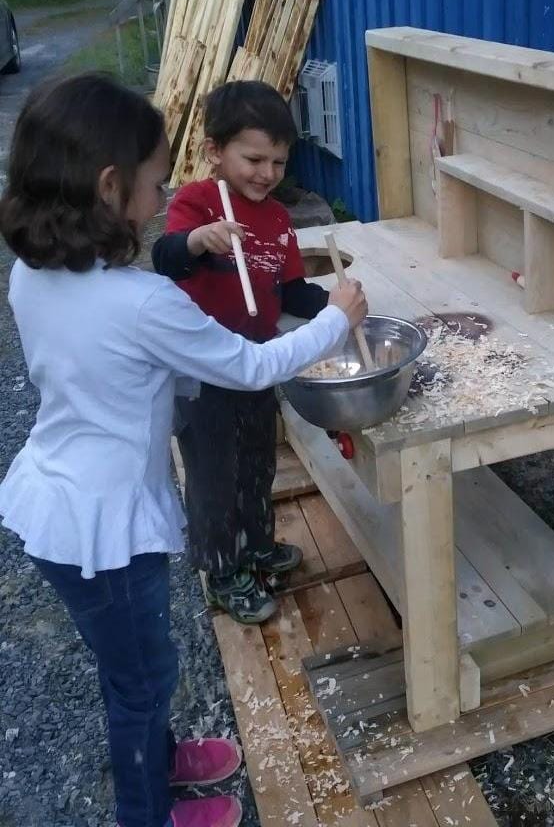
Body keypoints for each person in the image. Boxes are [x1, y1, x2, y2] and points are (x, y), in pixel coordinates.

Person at [0, 73, 366, 827]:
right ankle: (148, 812)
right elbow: (252, 364)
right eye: (156, 177)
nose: (165, 189)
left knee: (130, 665)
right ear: (111, 185)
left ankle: (163, 761)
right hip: (101, 528)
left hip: (57, 494)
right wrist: (338, 317)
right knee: (142, 679)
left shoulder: (32, 273)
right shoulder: (141, 301)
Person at [152, 81, 331, 625]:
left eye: (277, 161)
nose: (266, 173)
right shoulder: (197, 203)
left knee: (257, 462)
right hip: (203, 371)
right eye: (253, 158)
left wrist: (337, 307)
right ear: (215, 151)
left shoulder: (277, 219)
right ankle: (222, 569)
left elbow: (291, 290)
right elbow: (165, 259)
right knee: (213, 472)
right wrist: (198, 242)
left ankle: (258, 547)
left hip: (257, 360)